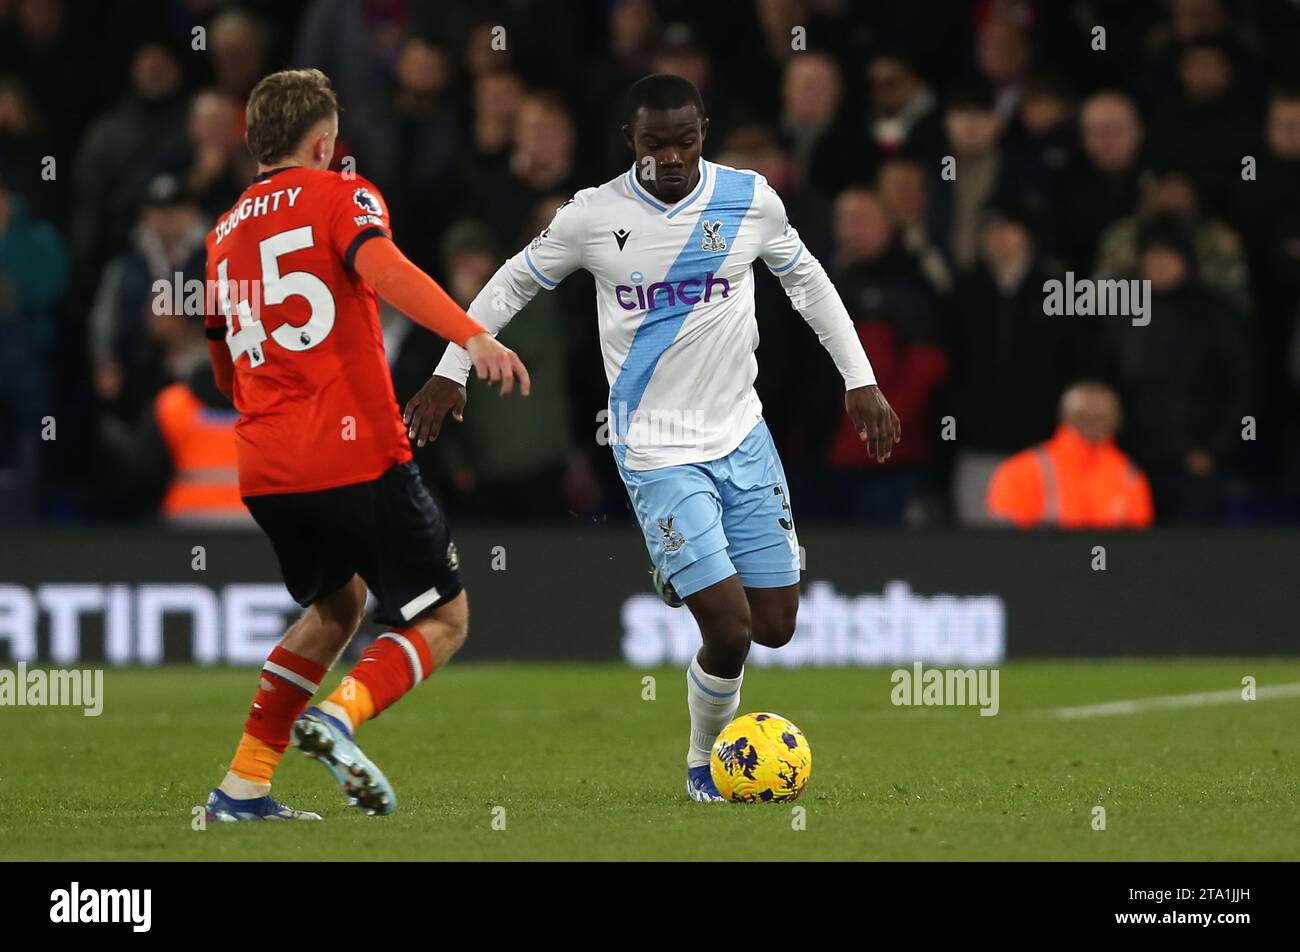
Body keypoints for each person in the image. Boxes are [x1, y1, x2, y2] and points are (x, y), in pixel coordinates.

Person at [404, 74, 900, 802]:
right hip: (658, 451)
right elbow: (510, 284)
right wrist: (454, 366)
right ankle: (704, 764)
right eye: (654, 142)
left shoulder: (749, 199)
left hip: (742, 434)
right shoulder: (592, 216)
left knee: (776, 626)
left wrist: (860, 380)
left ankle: (682, 569)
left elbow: (810, 284)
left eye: (685, 139)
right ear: (630, 142)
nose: (671, 156)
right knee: (728, 629)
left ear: (705, 129)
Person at [202, 68, 529, 822]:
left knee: (335, 608)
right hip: (353, 452)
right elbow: (384, 269)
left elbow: (224, 367)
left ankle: (243, 787)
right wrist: (473, 334)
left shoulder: (221, 235)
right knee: (444, 618)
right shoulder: (342, 195)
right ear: (324, 141)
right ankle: (339, 716)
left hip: (265, 466)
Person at [986, 382, 1154, 529]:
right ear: (1064, 416)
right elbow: (1006, 544)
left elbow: (1137, 546)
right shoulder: (1022, 472)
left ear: (1117, 420)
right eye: (1083, 416)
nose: (1093, 423)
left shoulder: (1129, 476)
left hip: (1108, 564)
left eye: (1101, 417)